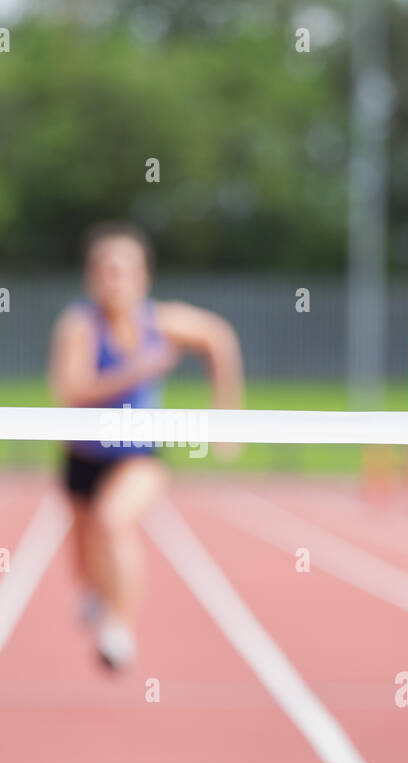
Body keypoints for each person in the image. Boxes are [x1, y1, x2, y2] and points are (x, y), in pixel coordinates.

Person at [49, 222, 243, 669]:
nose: (113, 278)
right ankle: (97, 594)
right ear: (90, 277)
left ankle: (120, 629)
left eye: (124, 269)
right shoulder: (79, 325)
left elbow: (219, 339)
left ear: (143, 278)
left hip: (138, 454)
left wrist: (225, 413)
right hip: (83, 455)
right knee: (83, 566)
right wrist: (137, 369)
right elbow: (70, 389)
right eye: (104, 269)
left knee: (114, 521)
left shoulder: (162, 320)